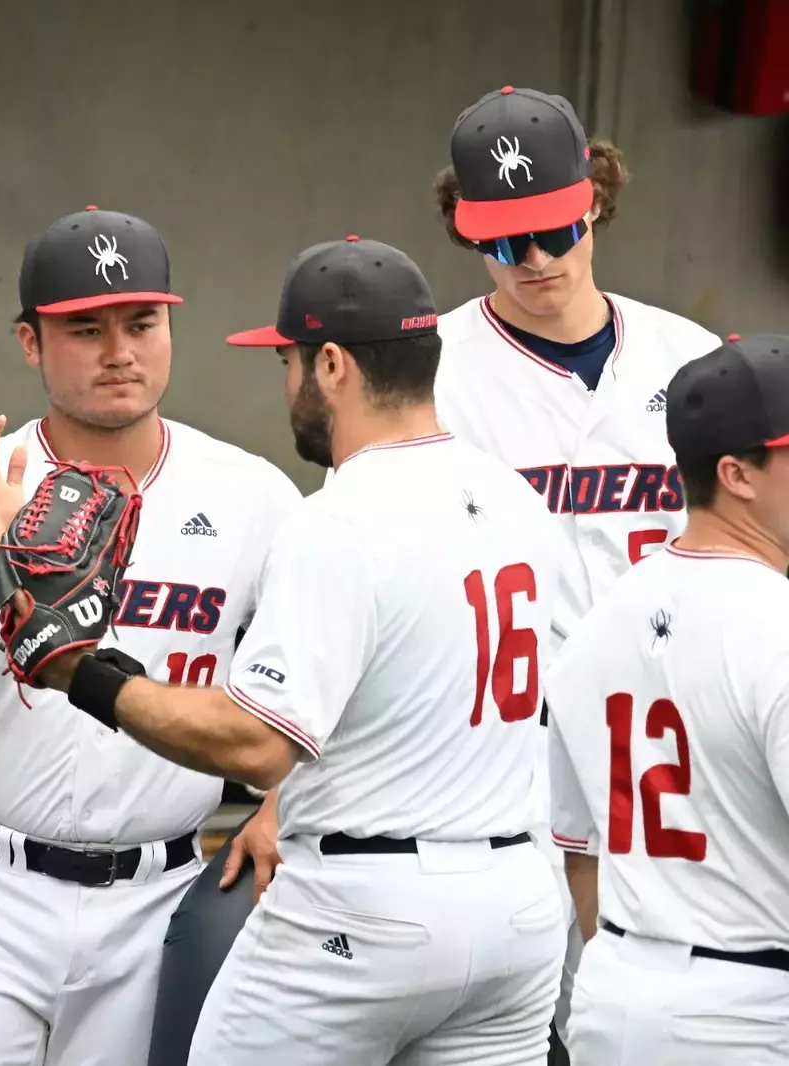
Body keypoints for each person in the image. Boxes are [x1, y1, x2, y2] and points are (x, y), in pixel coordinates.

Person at [30, 235, 567, 1064]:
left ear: (333, 368)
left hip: (365, 910)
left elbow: (258, 744)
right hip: (520, 908)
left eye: (289, 362)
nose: (287, 384)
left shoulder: (340, 518)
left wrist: (87, 674)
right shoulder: (518, 501)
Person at [0, 205, 301, 1066]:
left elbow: (329, 686)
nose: (120, 350)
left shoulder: (255, 498)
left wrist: (282, 807)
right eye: (86, 328)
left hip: (159, 894)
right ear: (31, 343)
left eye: (142, 323)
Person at [429, 85, 722, 1051]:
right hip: (511, 751)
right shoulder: (434, 370)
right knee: (537, 1030)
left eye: (553, 230)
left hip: (677, 739)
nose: (536, 262)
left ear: (592, 196)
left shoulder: (691, 361)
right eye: (505, 243)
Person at [545, 333, 789, 1063]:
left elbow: (579, 858)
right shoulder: (775, 625)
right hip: (752, 1013)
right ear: (737, 475)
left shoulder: (594, 628)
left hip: (614, 996)